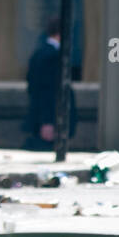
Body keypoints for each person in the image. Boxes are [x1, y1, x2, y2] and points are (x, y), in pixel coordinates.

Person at [23, 16, 77, 150]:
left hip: (48, 116)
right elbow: (46, 90)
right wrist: (47, 121)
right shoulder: (51, 55)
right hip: (51, 118)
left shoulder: (41, 52)